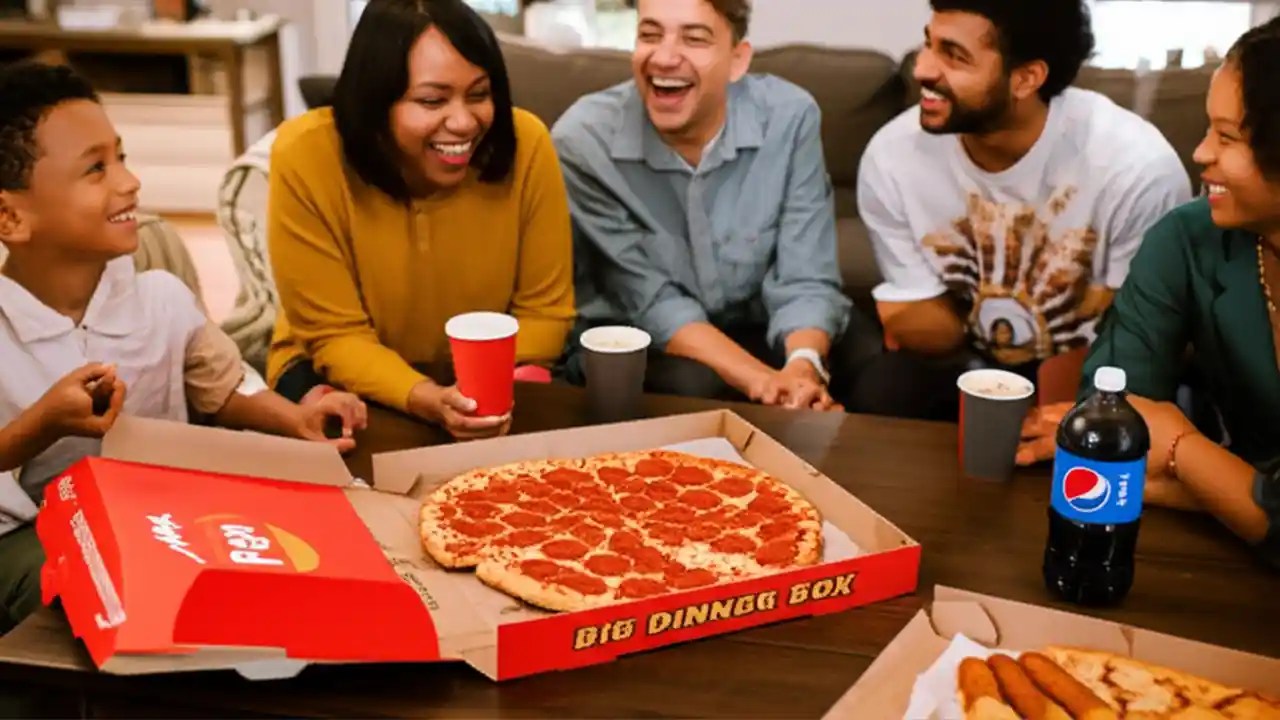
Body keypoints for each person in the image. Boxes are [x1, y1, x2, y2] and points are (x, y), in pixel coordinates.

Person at [0, 61, 367, 633]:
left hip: (160, 519)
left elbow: (224, 385)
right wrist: (41, 426)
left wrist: (296, 419)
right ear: (11, 217)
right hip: (31, 536)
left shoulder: (162, 299)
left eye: (121, 156)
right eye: (96, 168)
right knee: (90, 584)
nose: (129, 181)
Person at [850, 0, 1192, 421]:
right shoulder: (892, 156)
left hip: (1098, 366)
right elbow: (914, 315)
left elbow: (1138, 337)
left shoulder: (1137, 169)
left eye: (954, 56)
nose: (922, 69)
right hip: (964, 361)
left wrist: (1056, 409)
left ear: (1026, 78)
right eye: (928, 44)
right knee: (883, 389)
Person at [1019, 18, 1280, 566]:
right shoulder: (1188, 237)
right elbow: (1110, 426)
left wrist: (1181, 445)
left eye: (1227, 137)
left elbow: (1152, 440)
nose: (1200, 152)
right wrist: (1236, 492)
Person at [266, 0, 575, 439]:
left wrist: (470, 388)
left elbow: (546, 315)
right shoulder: (305, 154)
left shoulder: (527, 144)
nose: (464, 122)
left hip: (489, 372)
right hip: (334, 369)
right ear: (375, 101)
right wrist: (426, 397)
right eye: (432, 100)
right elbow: (335, 335)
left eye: (479, 95)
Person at [551, 0, 880, 411]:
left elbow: (805, 275)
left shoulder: (790, 118)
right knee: (692, 384)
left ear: (737, 60)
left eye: (694, 39)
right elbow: (650, 301)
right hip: (640, 336)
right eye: (650, 35)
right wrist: (765, 383)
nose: (664, 57)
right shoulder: (584, 141)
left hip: (752, 320)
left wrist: (803, 367)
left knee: (867, 357)